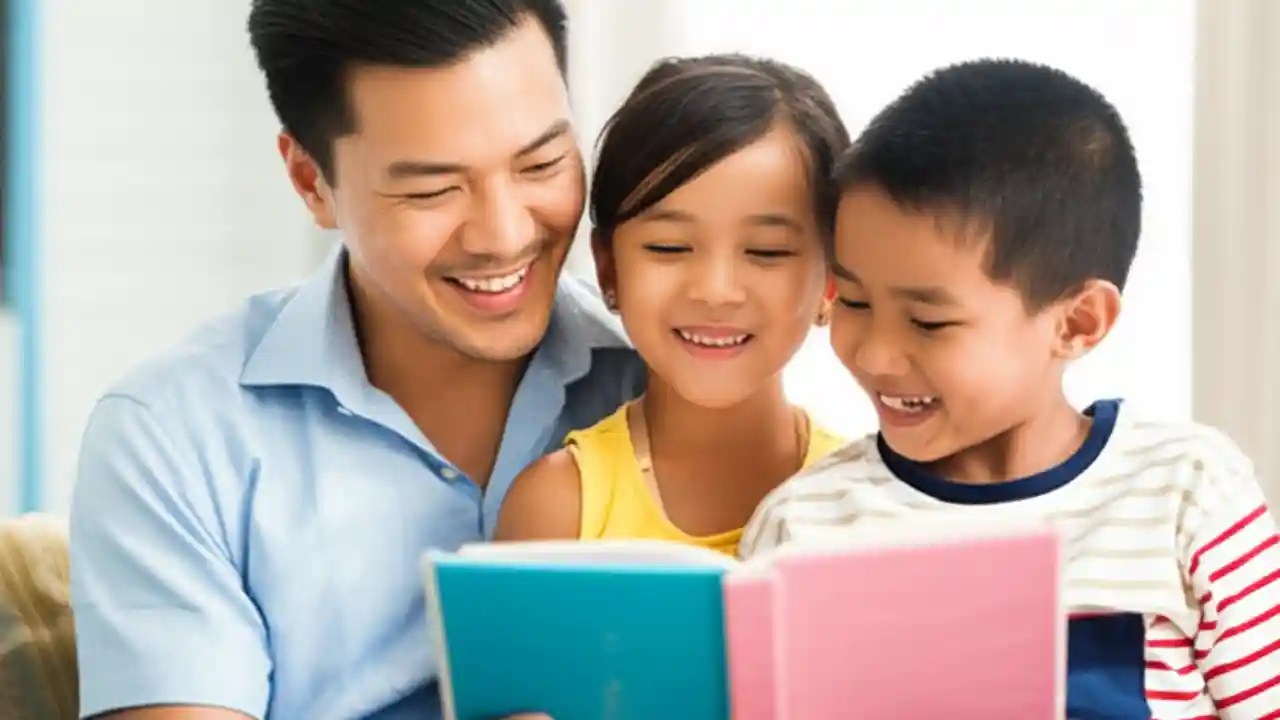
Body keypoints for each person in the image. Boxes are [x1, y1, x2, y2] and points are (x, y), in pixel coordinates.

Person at [67, 1, 643, 718]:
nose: (502, 234)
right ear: (312, 182)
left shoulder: (663, 385)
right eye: (433, 190)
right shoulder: (174, 435)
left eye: (543, 163)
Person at [738, 59, 1280, 718]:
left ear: (1077, 323)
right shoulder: (806, 525)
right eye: (852, 300)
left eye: (929, 321)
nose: (875, 354)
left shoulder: (1188, 491)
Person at [495, 54, 849, 555]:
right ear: (608, 268)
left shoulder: (871, 505)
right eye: (669, 247)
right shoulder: (559, 509)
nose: (715, 290)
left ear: (833, 280)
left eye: (766, 251)